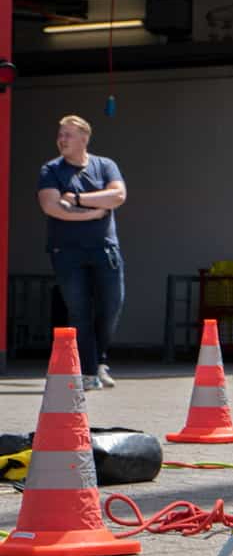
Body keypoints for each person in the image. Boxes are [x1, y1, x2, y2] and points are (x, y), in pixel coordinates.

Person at [36, 115, 127, 391]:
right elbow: (51, 207)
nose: (62, 139)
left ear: (84, 138)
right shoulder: (51, 170)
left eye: (68, 134)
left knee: (112, 305)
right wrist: (93, 213)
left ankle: (99, 361)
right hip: (67, 252)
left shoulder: (105, 165)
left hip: (105, 249)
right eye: (60, 134)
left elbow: (118, 196)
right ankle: (87, 371)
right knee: (79, 310)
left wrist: (75, 199)